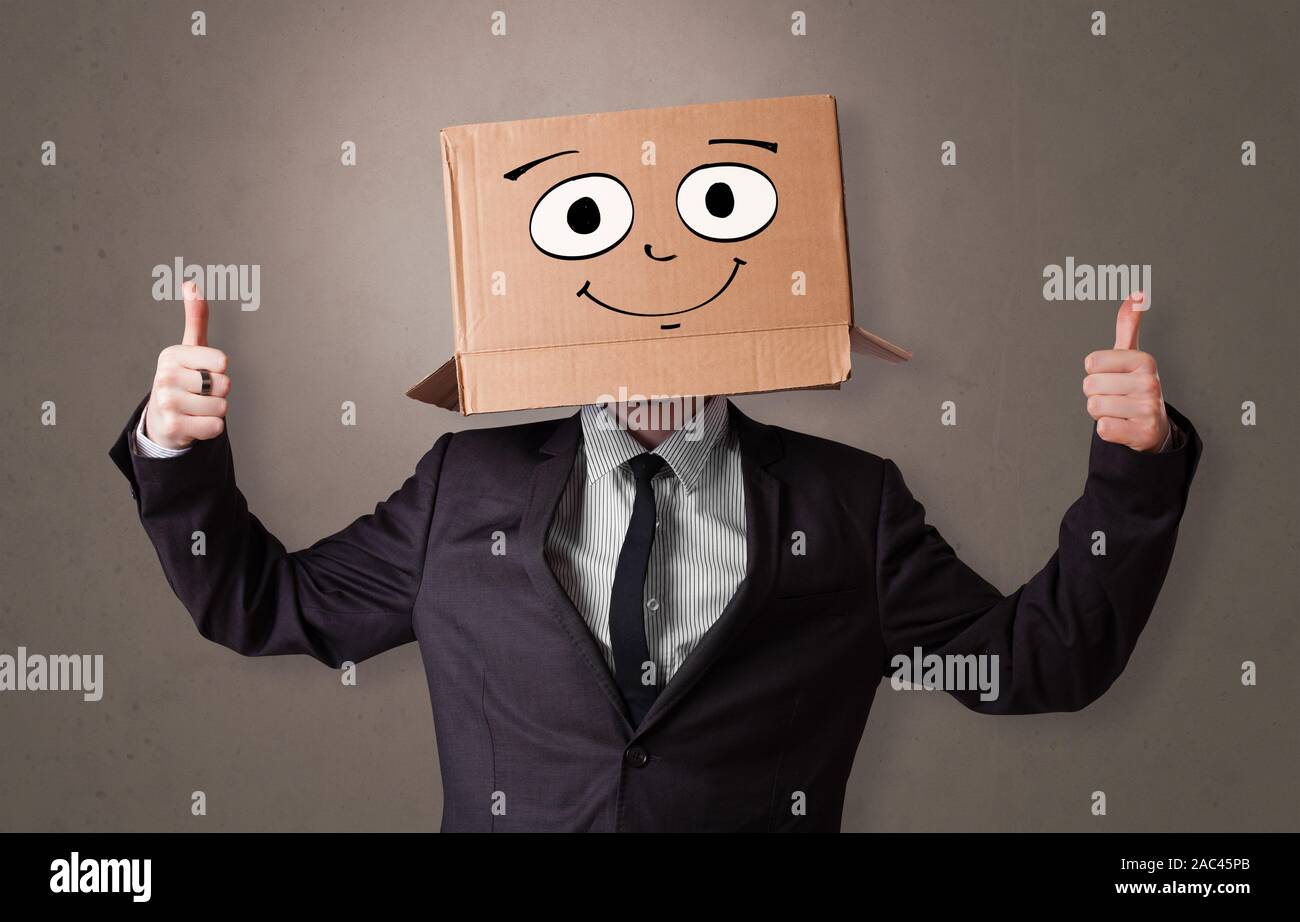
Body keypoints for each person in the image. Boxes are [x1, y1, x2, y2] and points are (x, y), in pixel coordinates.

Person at [110, 282, 1201, 832]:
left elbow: (1037, 660)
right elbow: (264, 605)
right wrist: (176, 450)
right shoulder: (462, 486)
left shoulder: (845, 501)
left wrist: (1131, 466)